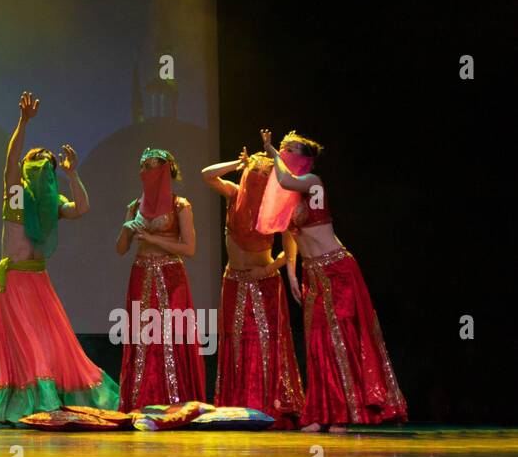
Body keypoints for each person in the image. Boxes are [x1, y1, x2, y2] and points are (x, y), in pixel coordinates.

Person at [0, 92, 120, 424]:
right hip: (13, 282)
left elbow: (82, 208)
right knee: (28, 345)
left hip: (38, 282)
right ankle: (34, 403)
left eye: (49, 161)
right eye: (37, 158)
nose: (43, 162)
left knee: (53, 344)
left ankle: (59, 398)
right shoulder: (15, 193)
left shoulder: (50, 202)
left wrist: (72, 176)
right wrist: (23, 122)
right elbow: (10, 161)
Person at [258, 129, 407, 432]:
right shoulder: (290, 194)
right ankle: (320, 412)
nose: (284, 153)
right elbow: (290, 236)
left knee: (339, 340)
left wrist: (271, 149)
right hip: (313, 273)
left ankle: (344, 413)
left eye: (289, 150)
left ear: (304, 159)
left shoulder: (313, 183)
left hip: (337, 269)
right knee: (317, 343)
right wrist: (290, 273)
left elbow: (286, 179)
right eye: (283, 149)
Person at [201, 148, 304, 427]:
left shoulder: (278, 206)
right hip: (233, 280)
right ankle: (238, 405)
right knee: (236, 343)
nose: (257, 177)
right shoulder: (234, 194)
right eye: (254, 171)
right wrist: (238, 163)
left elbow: (291, 250)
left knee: (265, 345)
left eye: (264, 173)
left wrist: (268, 270)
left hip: (264, 282)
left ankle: (268, 404)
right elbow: (206, 175)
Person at [116, 147, 206, 412]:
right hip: (141, 273)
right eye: (142, 166)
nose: (143, 172)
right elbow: (121, 249)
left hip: (170, 276)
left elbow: (189, 249)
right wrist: (126, 229)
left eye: (150, 167)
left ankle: (176, 400)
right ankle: (140, 398)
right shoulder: (134, 206)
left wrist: (153, 239)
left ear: (164, 171)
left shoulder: (181, 205)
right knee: (142, 335)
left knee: (171, 334)